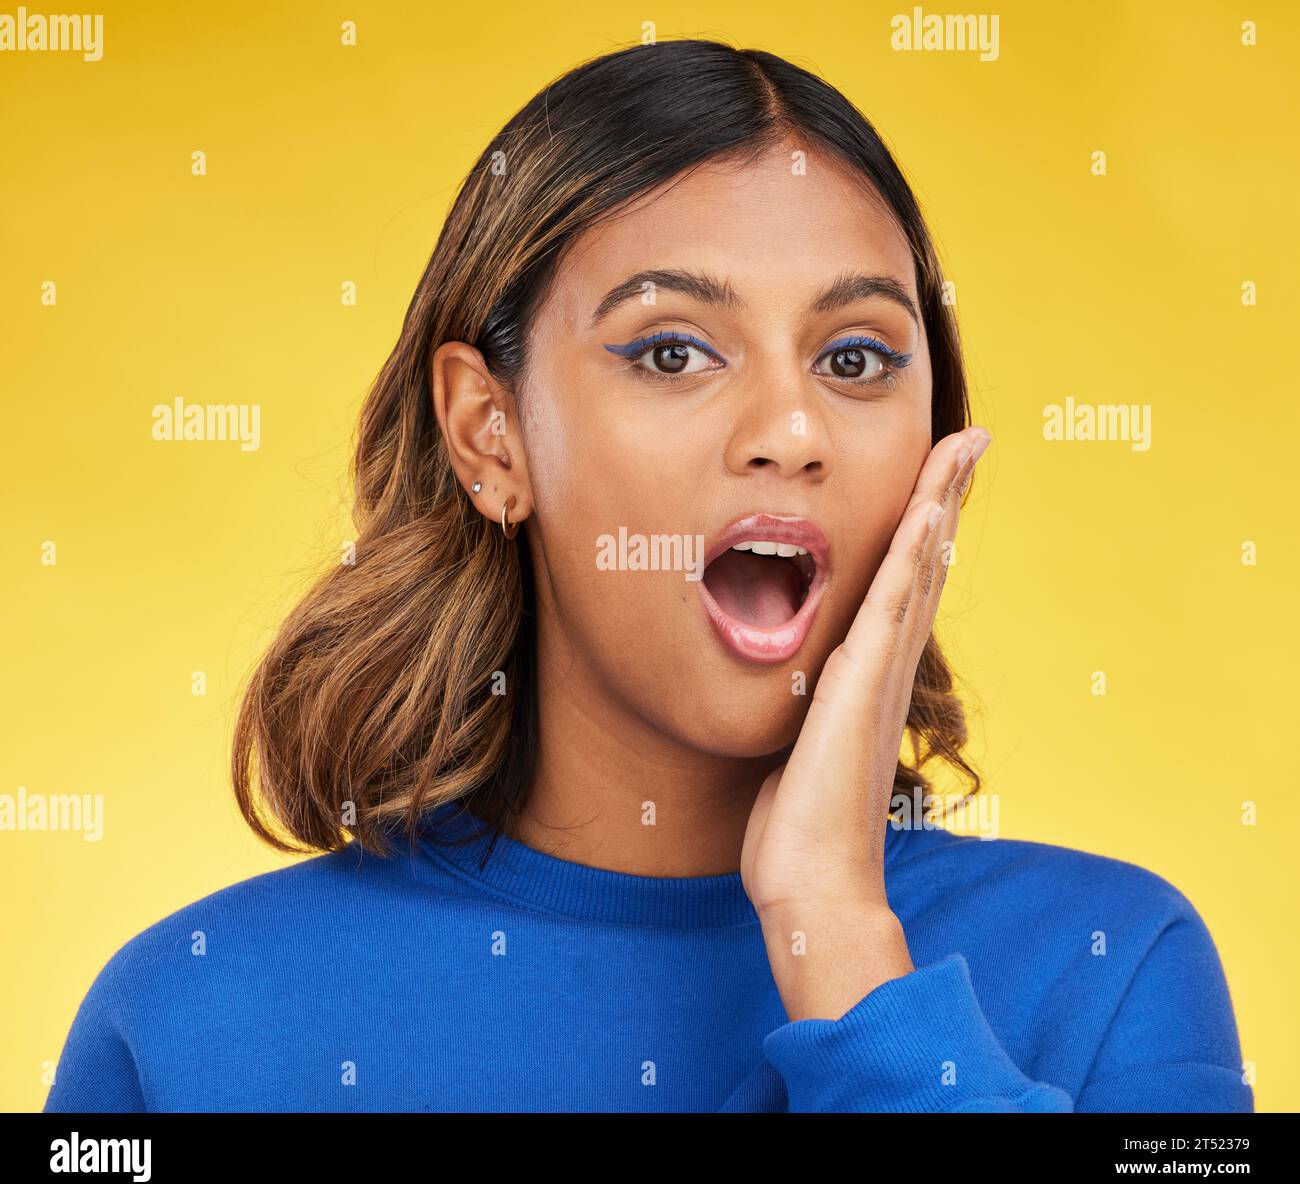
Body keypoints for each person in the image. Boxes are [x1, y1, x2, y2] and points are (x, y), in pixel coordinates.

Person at [44, 38, 1251, 1113]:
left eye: (855, 354)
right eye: (672, 350)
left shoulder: (1109, 963)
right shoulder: (195, 1023)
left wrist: (837, 939)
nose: (790, 426)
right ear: (489, 434)